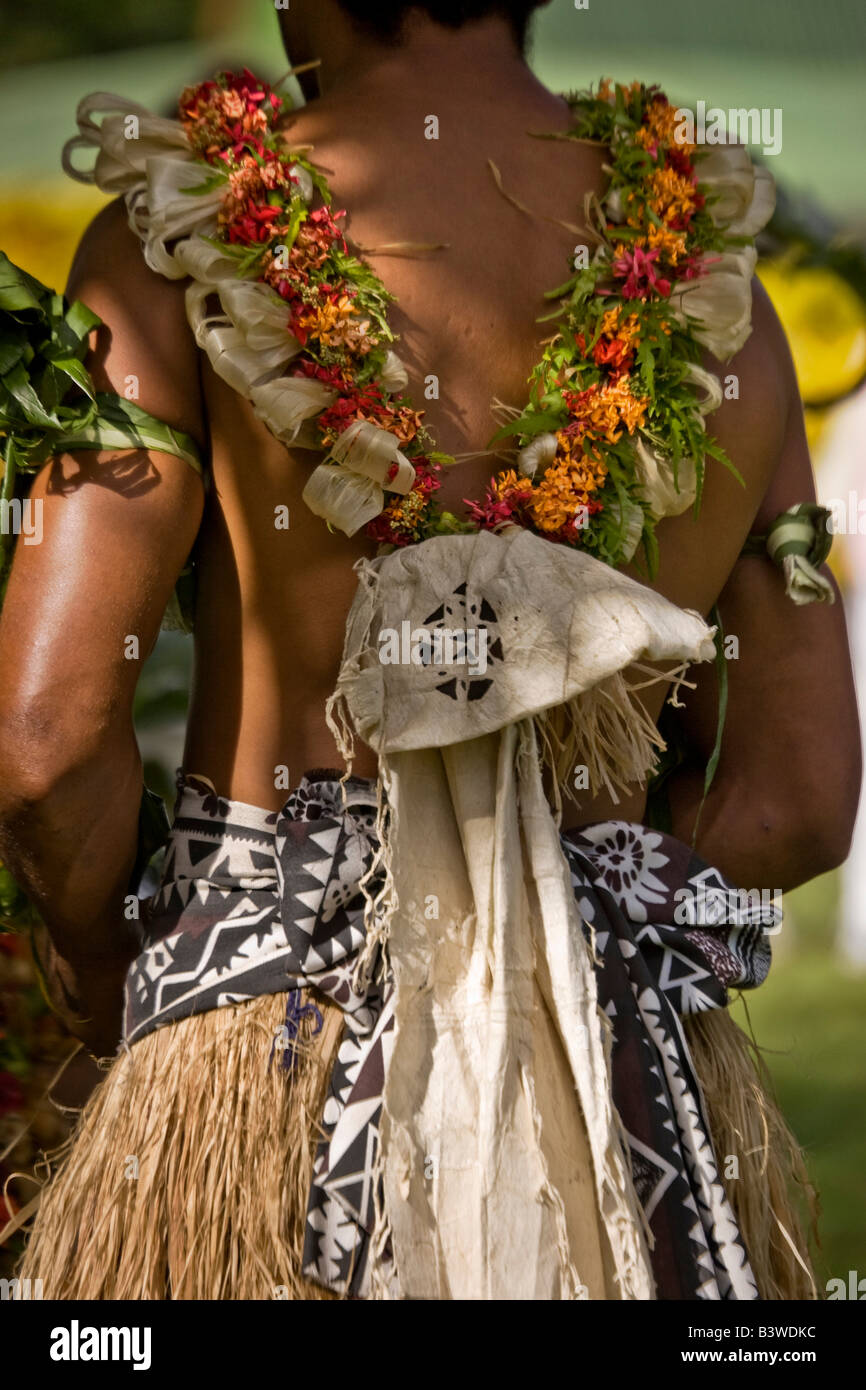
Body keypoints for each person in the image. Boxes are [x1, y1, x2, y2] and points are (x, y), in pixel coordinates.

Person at [0, 0, 859, 1300]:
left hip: (255, 1082)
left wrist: (140, 968)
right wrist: (582, 909)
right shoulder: (724, 289)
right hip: (609, 1104)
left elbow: (45, 739)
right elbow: (797, 798)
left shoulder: (169, 240)